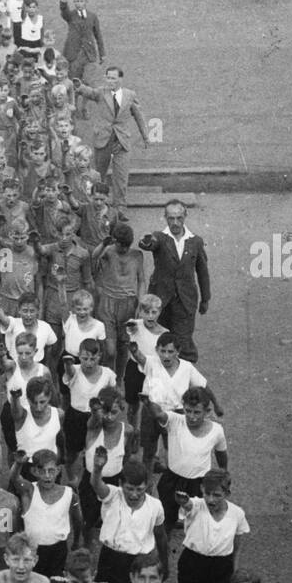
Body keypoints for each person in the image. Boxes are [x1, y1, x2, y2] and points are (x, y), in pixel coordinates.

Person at [139, 201, 211, 363]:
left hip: (185, 302)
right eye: (171, 218)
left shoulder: (195, 241)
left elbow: (203, 272)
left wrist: (205, 299)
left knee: (183, 343)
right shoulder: (160, 237)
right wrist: (146, 241)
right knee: (159, 341)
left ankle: (185, 379)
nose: (175, 223)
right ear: (165, 218)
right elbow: (149, 244)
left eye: (179, 218)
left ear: (185, 216)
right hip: (161, 302)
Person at [75, 66, 152, 211]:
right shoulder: (100, 92)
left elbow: (139, 116)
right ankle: (97, 204)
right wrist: (80, 86)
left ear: (120, 79)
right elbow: (89, 92)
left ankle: (120, 207)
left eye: (113, 78)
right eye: (108, 77)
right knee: (99, 174)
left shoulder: (130, 95)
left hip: (121, 141)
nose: (109, 81)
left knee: (121, 175)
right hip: (103, 139)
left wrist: (145, 136)